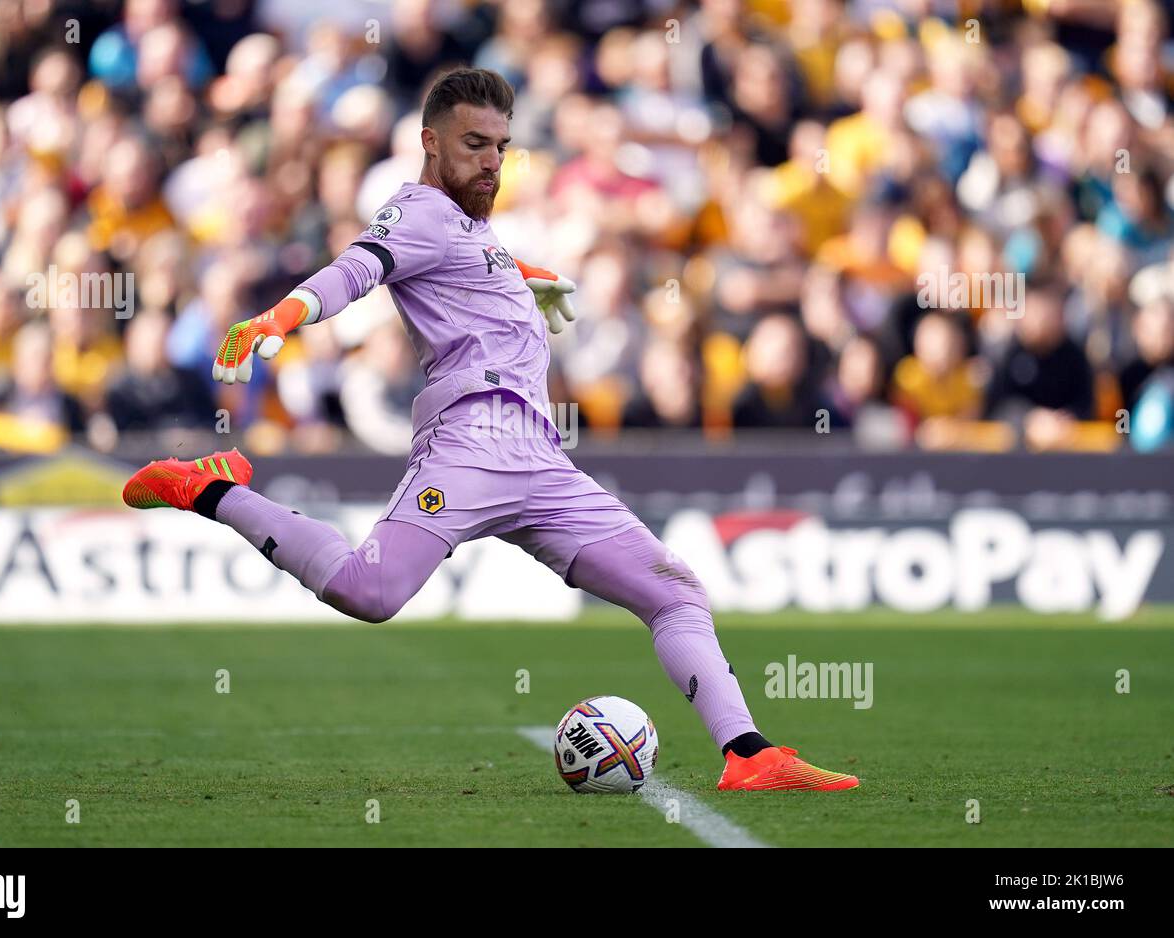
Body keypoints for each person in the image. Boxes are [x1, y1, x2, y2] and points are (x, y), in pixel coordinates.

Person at [122, 67, 858, 793]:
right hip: (470, 446)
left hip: (539, 458)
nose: (492, 161)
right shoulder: (416, 212)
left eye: (502, 146)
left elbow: (471, 263)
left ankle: (749, 755)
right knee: (368, 593)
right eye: (474, 143)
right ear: (429, 142)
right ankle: (214, 489)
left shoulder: (474, 229)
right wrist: (280, 316)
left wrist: (526, 276)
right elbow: (357, 269)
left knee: (675, 591)